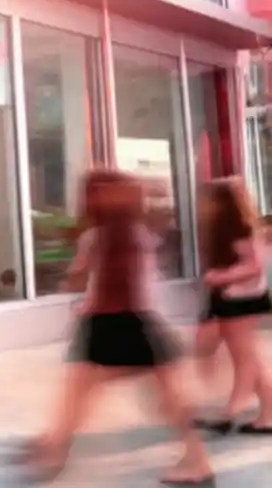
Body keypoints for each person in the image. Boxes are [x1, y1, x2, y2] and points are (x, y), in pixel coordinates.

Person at [27, 170, 212, 485]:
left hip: (111, 323)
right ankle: (54, 447)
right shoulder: (138, 234)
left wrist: (72, 286)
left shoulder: (98, 237)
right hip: (139, 322)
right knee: (158, 397)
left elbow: (81, 278)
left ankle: (54, 449)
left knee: (83, 390)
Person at [192, 178, 272, 435]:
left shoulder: (242, 229)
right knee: (250, 359)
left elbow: (255, 267)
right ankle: (267, 416)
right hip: (234, 298)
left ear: (223, 203)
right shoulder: (230, 229)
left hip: (241, 300)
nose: (205, 205)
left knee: (244, 358)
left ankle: (232, 411)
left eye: (210, 200)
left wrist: (220, 277)